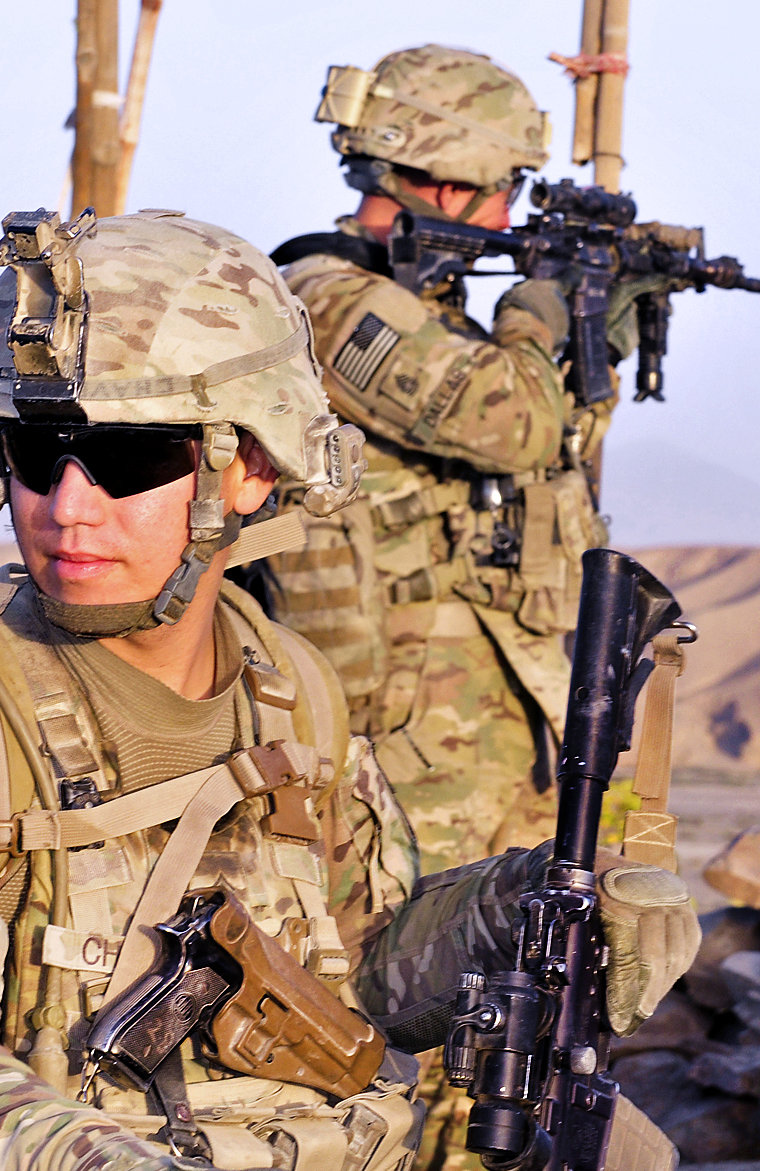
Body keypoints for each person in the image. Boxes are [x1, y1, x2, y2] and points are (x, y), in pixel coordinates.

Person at [0, 208, 696, 1171]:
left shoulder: (289, 690)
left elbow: (367, 967)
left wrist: (538, 900)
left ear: (250, 465)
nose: (67, 507)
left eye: (127, 458)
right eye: (36, 452)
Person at [255, 45, 609, 884]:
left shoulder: (428, 312)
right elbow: (512, 421)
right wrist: (536, 310)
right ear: (450, 185)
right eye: (505, 190)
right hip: (399, 735)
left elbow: (548, 453)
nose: (503, 221)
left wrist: (600, 332)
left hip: (486, 714)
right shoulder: (326, 298)